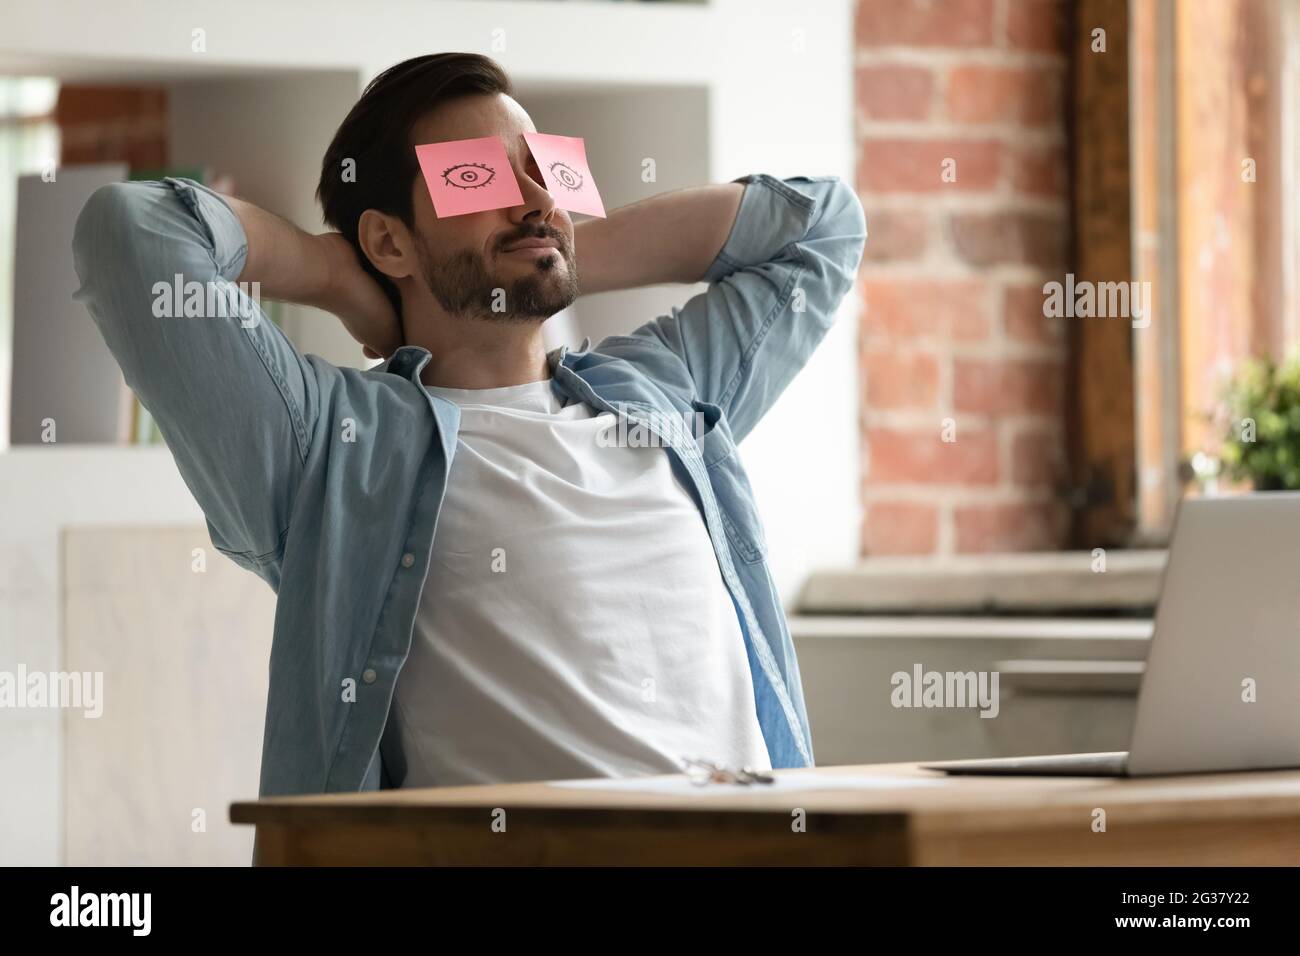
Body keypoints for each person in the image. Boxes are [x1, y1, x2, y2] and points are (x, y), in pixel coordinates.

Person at [71, 52, 867, 799]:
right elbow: (129, 231)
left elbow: (823, 227)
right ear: (389, 238)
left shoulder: (665, 389)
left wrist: (552, 246)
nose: (533, 196)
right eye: (473, 178)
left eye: (540, 169)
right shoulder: (331, 444)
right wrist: (339, 276)